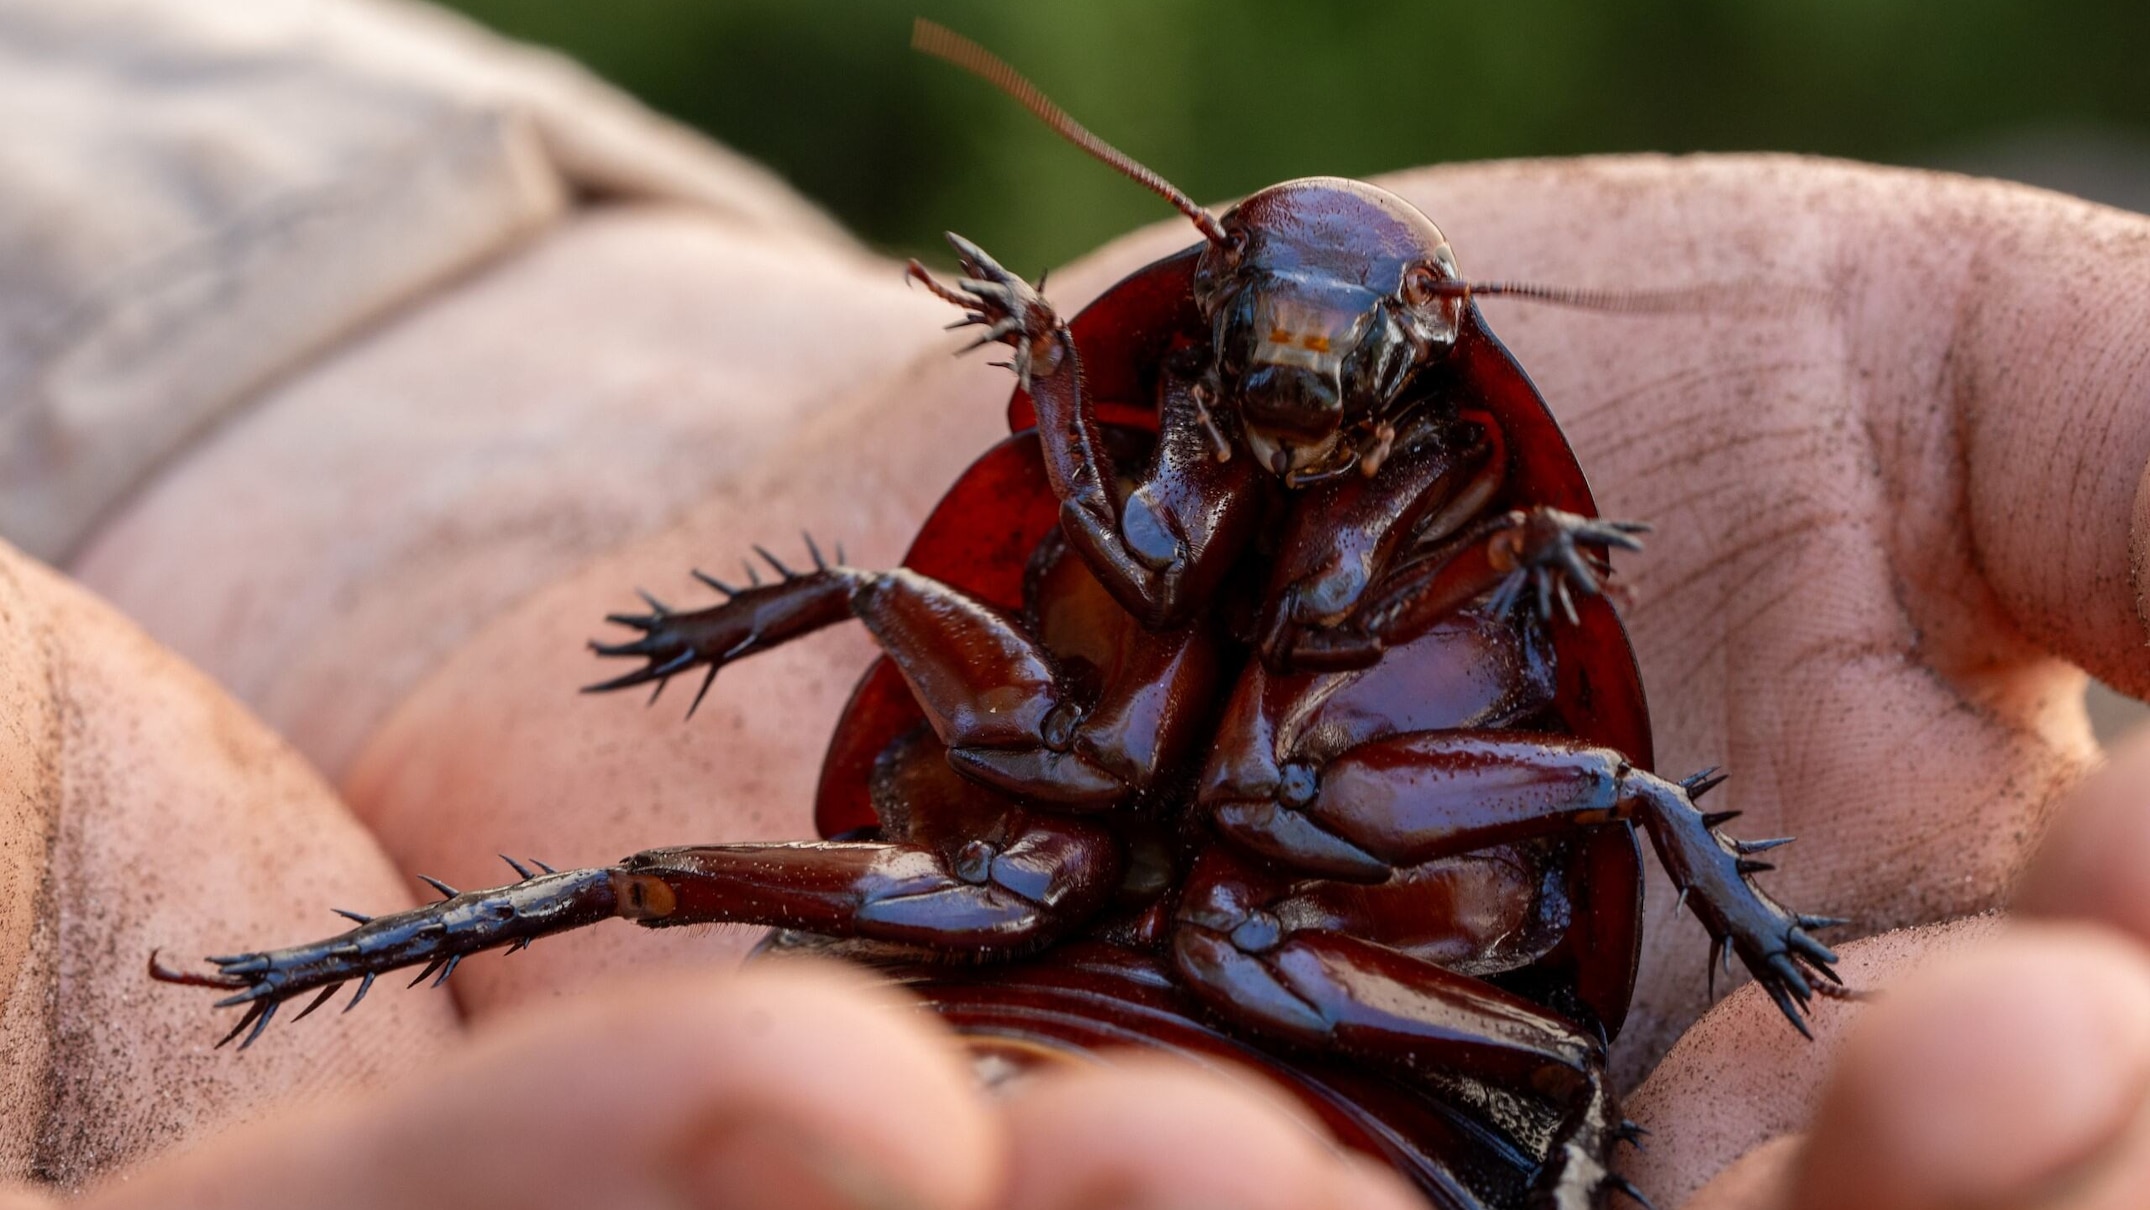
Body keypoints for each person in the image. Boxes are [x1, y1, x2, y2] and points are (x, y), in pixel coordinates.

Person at [2, 4, 2148, 1208]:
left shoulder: (1498, 540)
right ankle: (353, 954)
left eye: (1348, 366)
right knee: (673, 858)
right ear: (1193, 327)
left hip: (1382, 1052)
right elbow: (919, 581)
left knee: (1594, 783)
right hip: (975, 945)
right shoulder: (1128, 471)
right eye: (1253, 347)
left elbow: (1598, 780)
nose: (1294, 394)